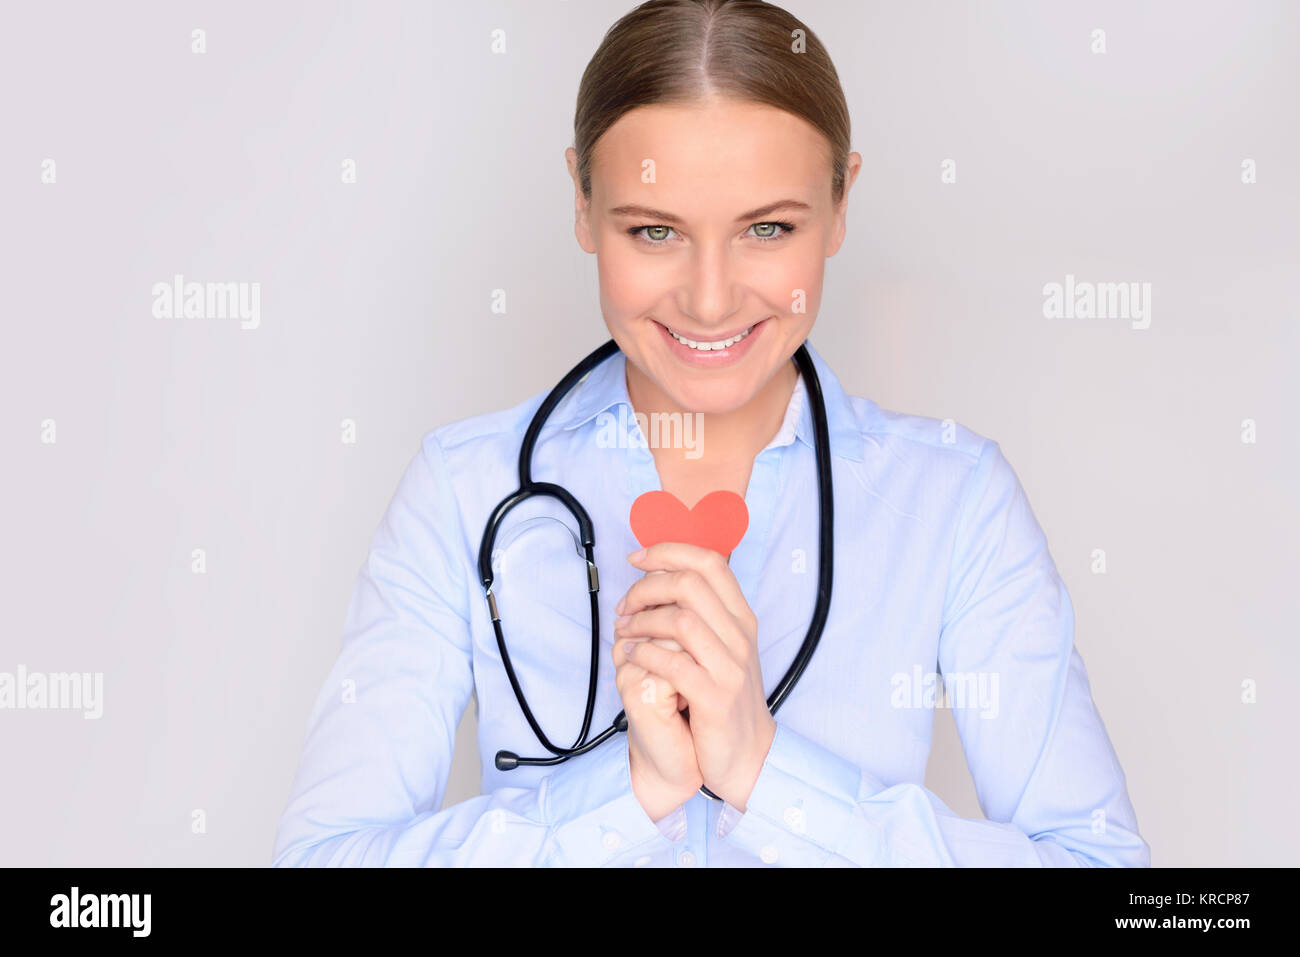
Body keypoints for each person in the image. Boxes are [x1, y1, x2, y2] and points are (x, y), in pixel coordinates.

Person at [272, 0, 1149, 867]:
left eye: (768, 228)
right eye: (654, 230)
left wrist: (764, 774)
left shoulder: (956, 500)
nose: (710, 299)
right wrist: (629, 792)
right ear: (582, 203)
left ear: (841, 203)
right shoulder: (463, 490)